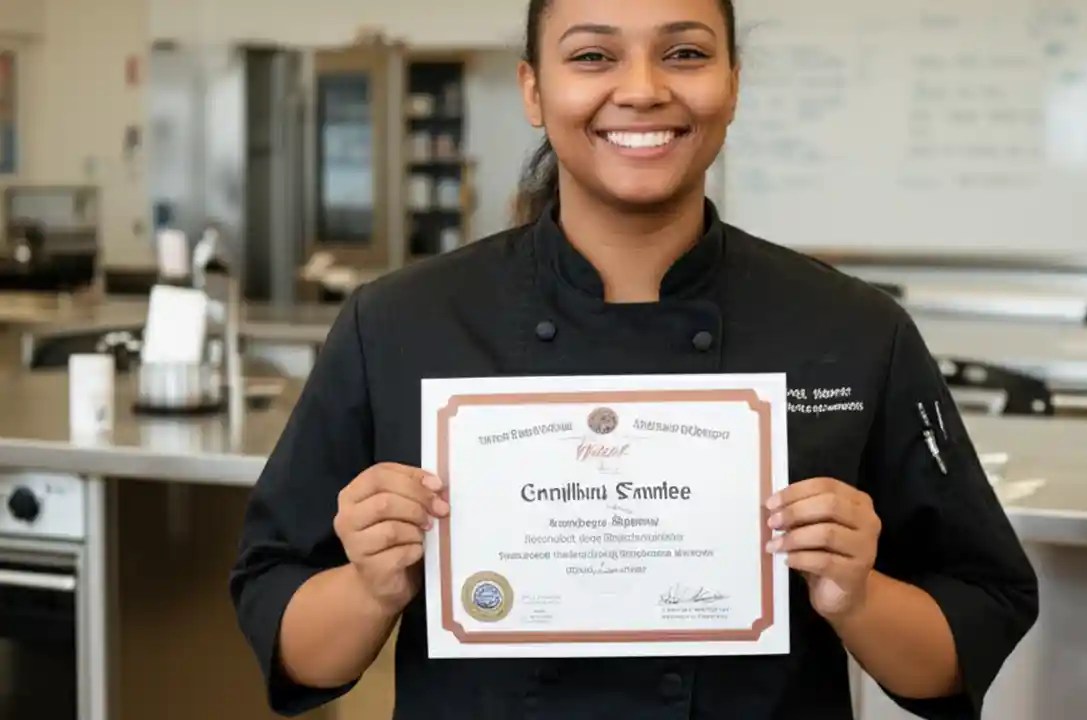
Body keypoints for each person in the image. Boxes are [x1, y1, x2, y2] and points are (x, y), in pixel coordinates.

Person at [229, 0, 1039, 717]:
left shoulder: (852, 327)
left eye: (685, 52)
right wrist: (371, 588)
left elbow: (966, 630)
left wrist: (856, 596)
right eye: (592, 55)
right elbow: (293, 637)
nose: (644, 88)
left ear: (733, 82)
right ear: (534, 91)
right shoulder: (399, 324)